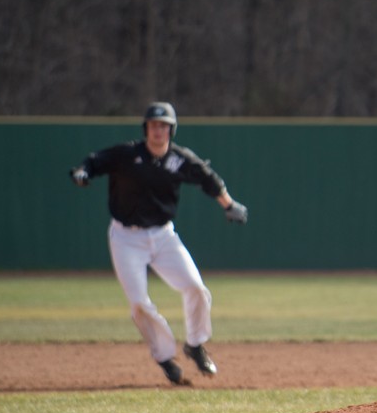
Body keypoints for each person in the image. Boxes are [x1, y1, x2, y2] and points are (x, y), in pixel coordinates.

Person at [70, 102, 248, 386]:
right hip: (126, 237)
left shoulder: (179, 159)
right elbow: (94, 161)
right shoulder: (127, 155)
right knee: (139, 303)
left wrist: (229, 205)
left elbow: (208, 179)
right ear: (146, 129)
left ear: (171, 130)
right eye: (154, 125)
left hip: (163, 235)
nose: (158, 130)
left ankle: (195, 344)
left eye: (164, 125)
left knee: (196, 288)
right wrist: (83, 172)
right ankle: (164, 356)